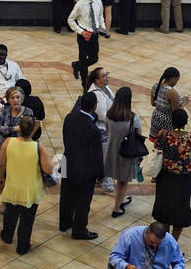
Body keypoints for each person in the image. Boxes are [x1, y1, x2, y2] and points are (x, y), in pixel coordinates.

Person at [0, 114, 55, 255]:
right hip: (31, 189)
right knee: (27, 219)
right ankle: (23, 246)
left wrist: (1, 177)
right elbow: (49, 169)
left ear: (19, 128)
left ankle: (7, 236)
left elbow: (2, 163)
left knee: (10, 213)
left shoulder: (8, 142)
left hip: (13, 185)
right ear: (33, 130)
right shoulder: (38, 147)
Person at [58, 92, 103, 241]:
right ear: (95, 106)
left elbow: (66, 138)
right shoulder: (93, 129)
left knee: (65, 195)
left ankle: (64, 223)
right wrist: (100, 174)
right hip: (84, 168)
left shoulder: (69, 118)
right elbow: (97, 155)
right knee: (83, 200)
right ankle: (79, 230)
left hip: (67, 161)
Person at [152, 108, 191, 241]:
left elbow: (157, 147)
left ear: (172, 121)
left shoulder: (165, 135)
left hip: (166, 176)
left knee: (165, 208)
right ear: (186, 122)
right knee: (181, 207)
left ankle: (165, 238)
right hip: (184, 178)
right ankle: (174, 240)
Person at [104, 87, 144, 218]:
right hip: (125, 153)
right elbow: (139, 136)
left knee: (117, 178)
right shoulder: (133, 118)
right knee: (123, 181)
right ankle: (117, 208)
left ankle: (119, 200)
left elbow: (107, 129)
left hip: (111, 151)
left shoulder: (109, 115)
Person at [108, 221, 185, 269]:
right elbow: (114, 257)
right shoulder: (130, 236)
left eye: (158, 244)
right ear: (146, 233)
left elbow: (179, 261)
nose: (154, 245)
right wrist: (126, 267)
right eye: (152, 242)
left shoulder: (170, 241)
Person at [68, 0, 107, 88]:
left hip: (94, 34)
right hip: (84, 35)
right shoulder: (80, 4)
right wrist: (81, 31)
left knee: (94, 58)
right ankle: (85, 83)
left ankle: (77, 65)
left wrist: (103, 28)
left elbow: (100, 16)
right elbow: (70, 20)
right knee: (83, 58)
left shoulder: (98, 1)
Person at [84, 66, 116, 192]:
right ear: (97, 80)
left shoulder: (105, 88)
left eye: (106, 74)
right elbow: (102, 115)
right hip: (102, 129)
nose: (107, 77)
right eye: (103, 76)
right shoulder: (97, 94)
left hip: (107, 128)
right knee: (105, 158)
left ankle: (98, 178)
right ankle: (107, 184)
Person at [149, 67, 186, 139]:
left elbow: (153, 103)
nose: (176, 83)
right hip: (167, 124)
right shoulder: (172, 92)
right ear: (173, 78)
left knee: (157, 144)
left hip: (156, 119)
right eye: (177, 80)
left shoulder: (155, 86)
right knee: (167, 145)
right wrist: (185, 102)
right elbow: (177, 115)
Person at [0, 86, 29, 158]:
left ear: (22, 99)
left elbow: (27, 130)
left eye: (18, 97)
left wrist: (6, 129)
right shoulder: (4, 111)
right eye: (12, 98)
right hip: (2, 146)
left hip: (20, 147)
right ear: (8, 100)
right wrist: (15, 128)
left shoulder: (28, 112)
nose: (15, 100)